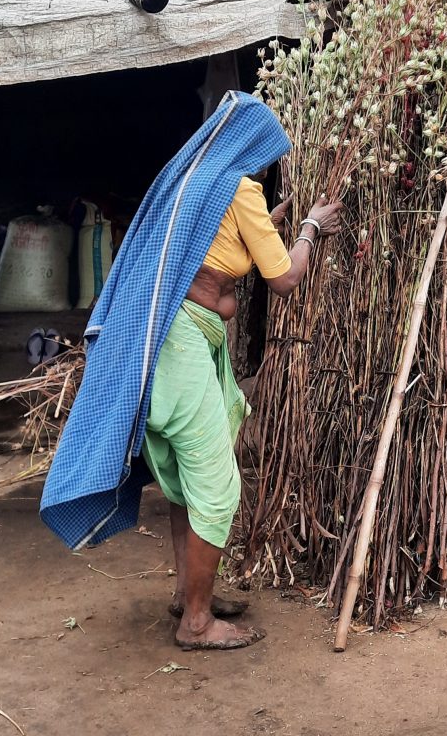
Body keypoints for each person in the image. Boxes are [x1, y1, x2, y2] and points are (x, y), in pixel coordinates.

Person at [40, 92, 343, 651]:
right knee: (217, 487)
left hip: (180, 337)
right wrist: (307, 230)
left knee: (186, 477)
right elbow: (285, 280)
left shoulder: (196, 185)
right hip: (183, 344)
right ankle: (197, 623)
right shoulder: (240, 188)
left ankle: (189, 593)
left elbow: (212, 251)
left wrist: (262, 229)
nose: (266, 164)